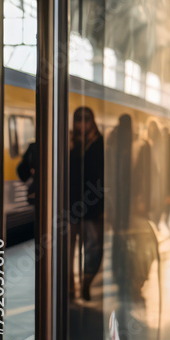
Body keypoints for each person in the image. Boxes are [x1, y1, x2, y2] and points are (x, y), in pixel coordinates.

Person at [70, 106, 104, 301]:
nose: (82, 123)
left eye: (86, 119)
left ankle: (86, 283)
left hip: (92, 207)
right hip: (70, 206)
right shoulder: (70, 143)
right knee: (67, 250)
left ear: (92, 121)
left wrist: (100, 206)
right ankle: (68, 288)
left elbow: (101, 177)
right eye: (78, 119)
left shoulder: (98, 144)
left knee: (92, 247)